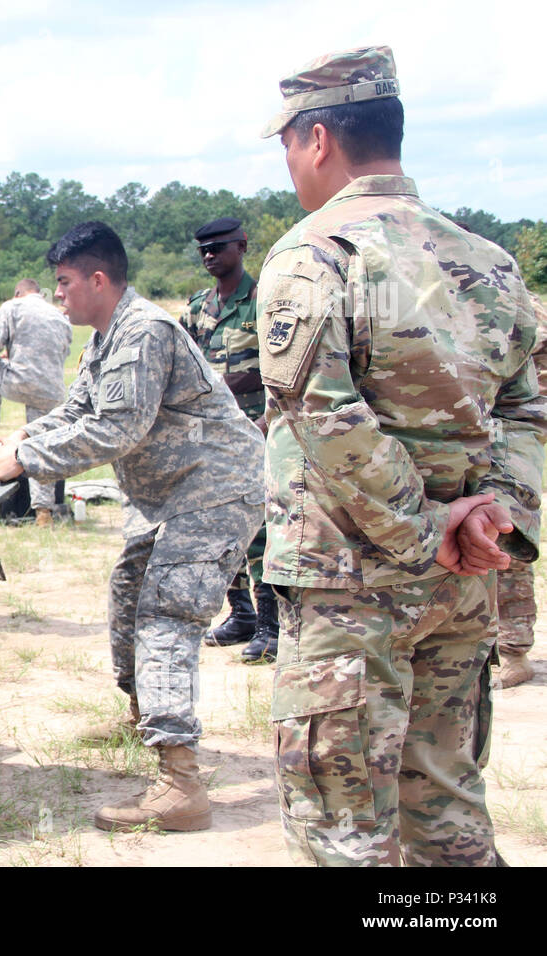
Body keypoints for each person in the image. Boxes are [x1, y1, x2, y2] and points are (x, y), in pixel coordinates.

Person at [257, 45, 546, 866]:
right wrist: (496, 515)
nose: (288, 165)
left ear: (317, 139)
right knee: (446, 809)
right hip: (463, 584)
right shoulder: (488, 262)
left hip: (352, 588)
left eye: (286, 145)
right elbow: (530, 403)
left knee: (344, 825)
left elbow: (322, 411)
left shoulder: (316, 254)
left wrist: (424, 533)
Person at [0, 221, 264, 832]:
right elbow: (84, 406)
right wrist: (31, 431)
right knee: (128, 598)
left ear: (97, 279)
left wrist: (26, 461)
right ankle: (152, 718)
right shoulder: (106, 336)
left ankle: (179, 783)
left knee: (166, 614)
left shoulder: (144, 332)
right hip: (167, 497)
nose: (57, 296)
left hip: (213, 492)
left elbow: (116, 430)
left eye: (63, 283)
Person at [181, 218, 278, 663]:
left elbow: (285, 373)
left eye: (218, 247)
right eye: (203, 249)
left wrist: (264, 423)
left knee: (260, 529)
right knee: (220, 526)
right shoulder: (198, 307)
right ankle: (239, 613)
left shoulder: (266, 303)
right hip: (211, 436)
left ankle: (271, 624)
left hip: (258, 431)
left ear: (241, 246)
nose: (209, 255)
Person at [0, 278, 73, 527]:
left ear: (18, 293)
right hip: (51, 389)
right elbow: (61, 352)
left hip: (20, 381)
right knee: (41, 446)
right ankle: (43, 513)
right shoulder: (60, 316)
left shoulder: (11, 307)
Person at [493, 289, 547, 689]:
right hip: (481, 425)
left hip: (511, 429)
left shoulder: (507, 296)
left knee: (506, 529)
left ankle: (513, 650)